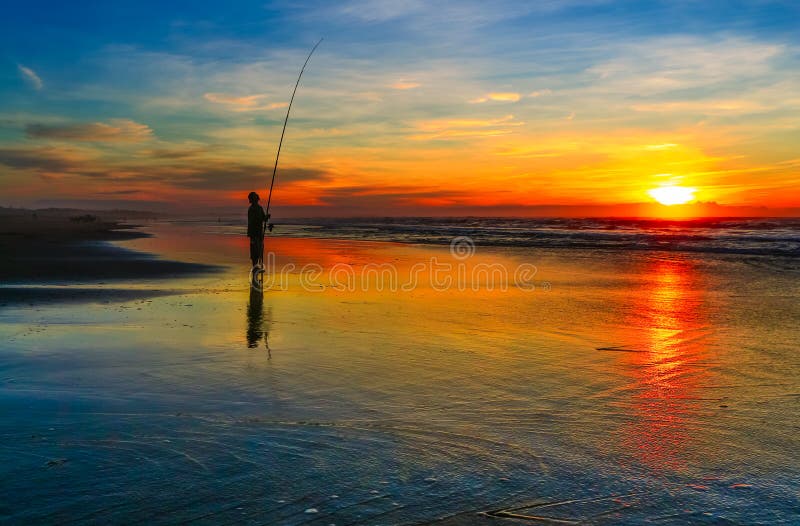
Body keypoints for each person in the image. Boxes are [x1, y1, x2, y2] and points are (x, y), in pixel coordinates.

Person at [247, 191, 269, 269]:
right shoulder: (251, 209)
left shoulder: (260, 208)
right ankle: (255, 266)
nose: (256, 199)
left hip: (259, 232)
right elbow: (253, 221)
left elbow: (263, 218)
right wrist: (262, 219)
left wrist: (266, 217)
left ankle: (259, 266)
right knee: (254, 251)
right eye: (254, 198)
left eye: (255, 197)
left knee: (260, 249)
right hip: (253, 233)